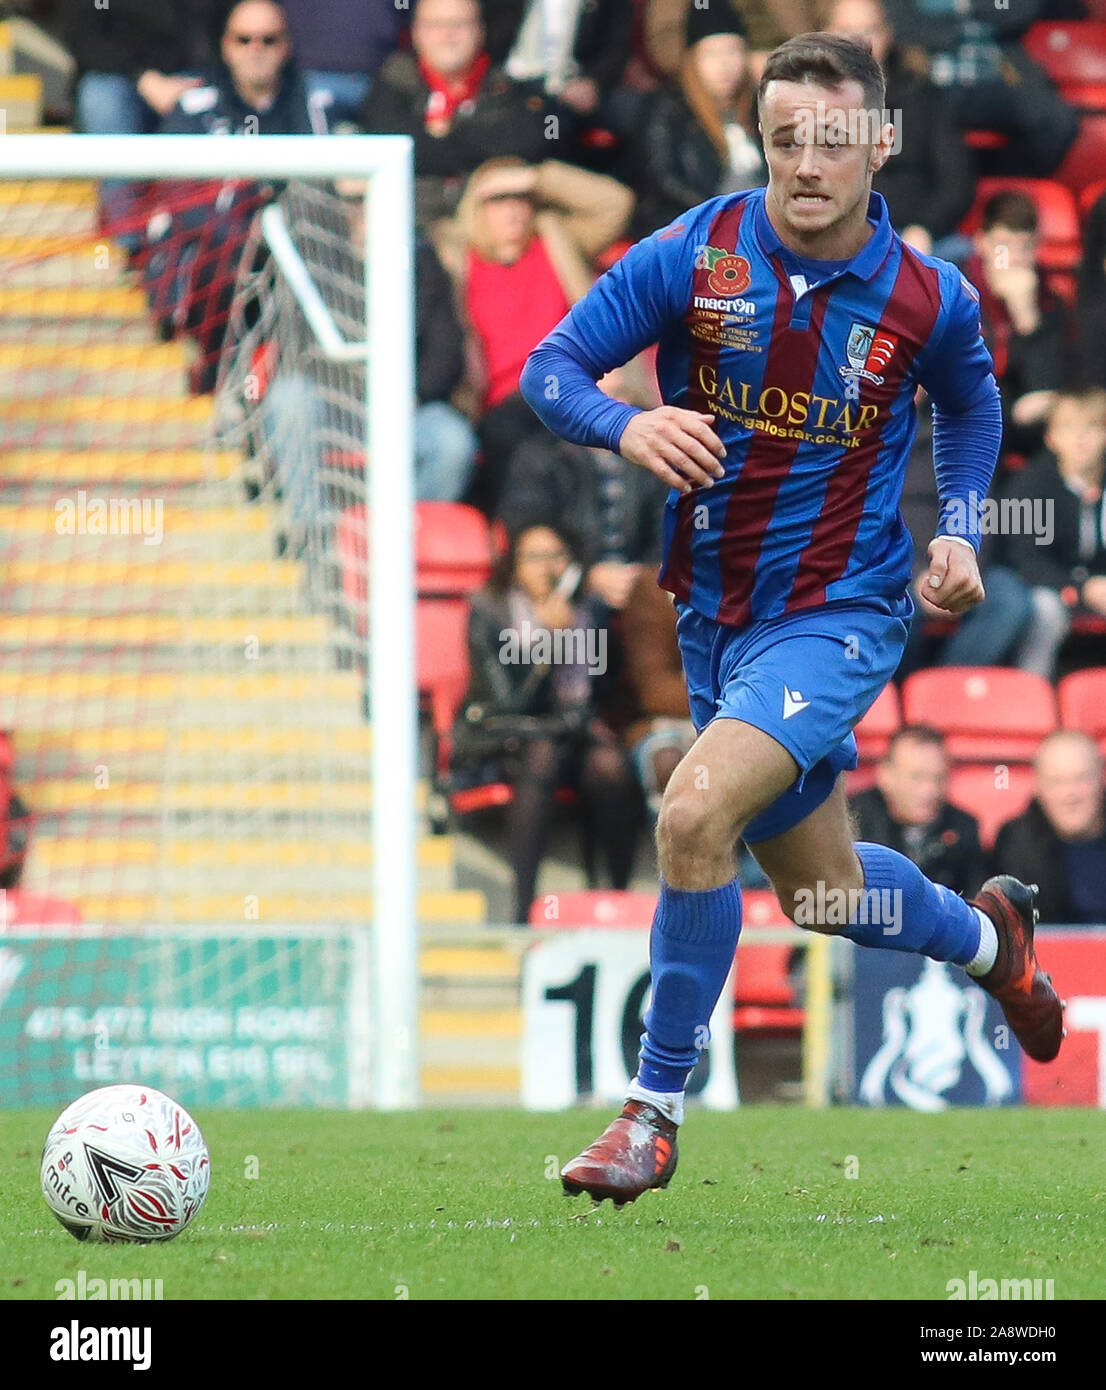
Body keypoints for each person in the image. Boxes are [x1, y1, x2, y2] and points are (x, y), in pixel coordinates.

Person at [521, 31, 1063, 1206]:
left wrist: (959, 526)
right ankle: (989, 942)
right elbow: (548, 369)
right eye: (783, 139)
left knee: (692, 809)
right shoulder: (694, 251)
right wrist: (623, 425)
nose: (805, 162)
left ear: (879, 140)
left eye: (830, 138)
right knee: (820, 896)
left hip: (839, 610)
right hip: (712, 615)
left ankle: (650, 1112)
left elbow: (969, 407)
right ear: (759, 138)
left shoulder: (927, 295)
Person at [451, 523, 644, 923]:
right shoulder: (490, 610)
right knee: (541, 756)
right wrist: (547, 644)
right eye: (534, 557)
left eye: (556, 557)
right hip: (506, 738)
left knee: (609, 767)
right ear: (514, 565)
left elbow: (600, 690)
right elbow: (508, 701)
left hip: (571, 735)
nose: (547, 568)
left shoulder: (588, 612)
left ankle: (616, 899)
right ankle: (522, 908)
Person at [146, 0, 333, 392]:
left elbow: (326, 193)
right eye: (244, 39)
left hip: (291, 259)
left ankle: (266, 379)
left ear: (286, 46)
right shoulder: (194, 108)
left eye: (269, 39)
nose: (256, 49)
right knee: (225, 257)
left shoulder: (312, 107)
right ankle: (222, 376)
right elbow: (180, 203)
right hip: (213, 264)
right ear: (226, 46)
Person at [433, 157, 633, 513]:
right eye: (498, 200)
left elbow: (615, 203)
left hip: (578, 384)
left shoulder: (555, 238)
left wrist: (539, 177)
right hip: (502, 405)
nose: (513, 210)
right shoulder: (455, 258)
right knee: (525, 448)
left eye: (521, 198)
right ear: (475, 207)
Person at [360, 0, 562, 227]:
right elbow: (389, 141)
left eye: (459, 24)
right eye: (436, 25)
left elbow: (538, 137)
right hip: (410, 222)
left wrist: (446, 135)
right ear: (416, 32)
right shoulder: (394, 81)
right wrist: (483, 147)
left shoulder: (504, 85)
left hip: (487, 226)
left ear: (480, 31)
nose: (448, 35)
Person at [53, 0, 224, 250]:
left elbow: (233, 24)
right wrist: (144, 78)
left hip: (193, 77)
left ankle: (189, 239)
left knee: (202, 101)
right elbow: (82, 37)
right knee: (100, 98)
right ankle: (130, 244)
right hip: (122, 80)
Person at [825, 0, 975, 258]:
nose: (859, 42)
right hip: (831, 238)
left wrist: (925, 227)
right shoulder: (806, 100)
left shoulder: (923, 96)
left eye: (870, 30)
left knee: (962, 259)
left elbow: (956, 182)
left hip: (915, 236)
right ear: (827, 37)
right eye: (846, 32)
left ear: (887, 35)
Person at [628, 1, 767, 242]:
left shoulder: (760, 108)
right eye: (712, 53)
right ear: (693, 60)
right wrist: (721, 216)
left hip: (760, 230)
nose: (724, 64)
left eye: (733, 51)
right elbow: (665, 181)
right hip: (695, 234)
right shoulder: (667, 110)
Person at [998, 387, 1106, 678]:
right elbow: (1025, 559)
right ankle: (1033, 690)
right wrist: (1082, 588)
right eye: (1069, 428)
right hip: (1047, 587)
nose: (1081, 438)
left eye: (1093, 427)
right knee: (1046, 610)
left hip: (1100, 587)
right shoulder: (1028, 485)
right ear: (1051, 438)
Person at [962, 190, 1070, 462]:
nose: (1014, 258)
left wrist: (1027, 319)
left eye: (1025, 247)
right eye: (1003, 246)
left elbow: (1044, 390)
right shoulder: (954, 290)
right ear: (982, 243)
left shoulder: (1047, 299)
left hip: (1022, 426)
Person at [851, 726, 988, 894]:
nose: (929, 791)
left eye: (938, 778)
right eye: (916, 777)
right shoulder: (852, 819)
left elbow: (975, 902)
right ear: (885, 775)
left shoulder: (963, 828)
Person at [993, 731, 1106, 924]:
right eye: (1057, 782)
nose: (1070, 794)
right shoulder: (1015, 843)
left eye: (1081, 779)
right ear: (1038, 787)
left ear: (1101, 779)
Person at [278, 1, 407, 125]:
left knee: (388, 144)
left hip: (383, 75)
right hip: (311, 74)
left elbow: (411, 9)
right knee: (317, 146)